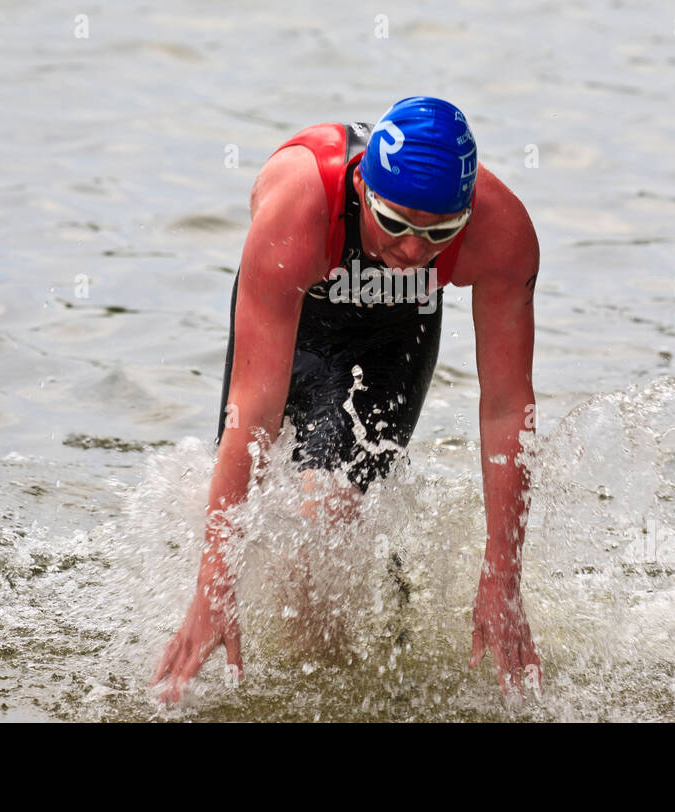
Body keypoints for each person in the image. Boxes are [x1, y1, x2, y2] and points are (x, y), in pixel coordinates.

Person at [150, 96, 541, 701]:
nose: (414, 251)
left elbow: (507, 408)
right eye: (396, 223)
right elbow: (251, 415)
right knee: (248, 512)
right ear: (362, 187)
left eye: (439, 232)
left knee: (327, 523)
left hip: (393, 333)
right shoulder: (297, 210)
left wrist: (502, 574)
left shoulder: (502, 231)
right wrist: (213, 586)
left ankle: (342, 675)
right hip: (295, 310)